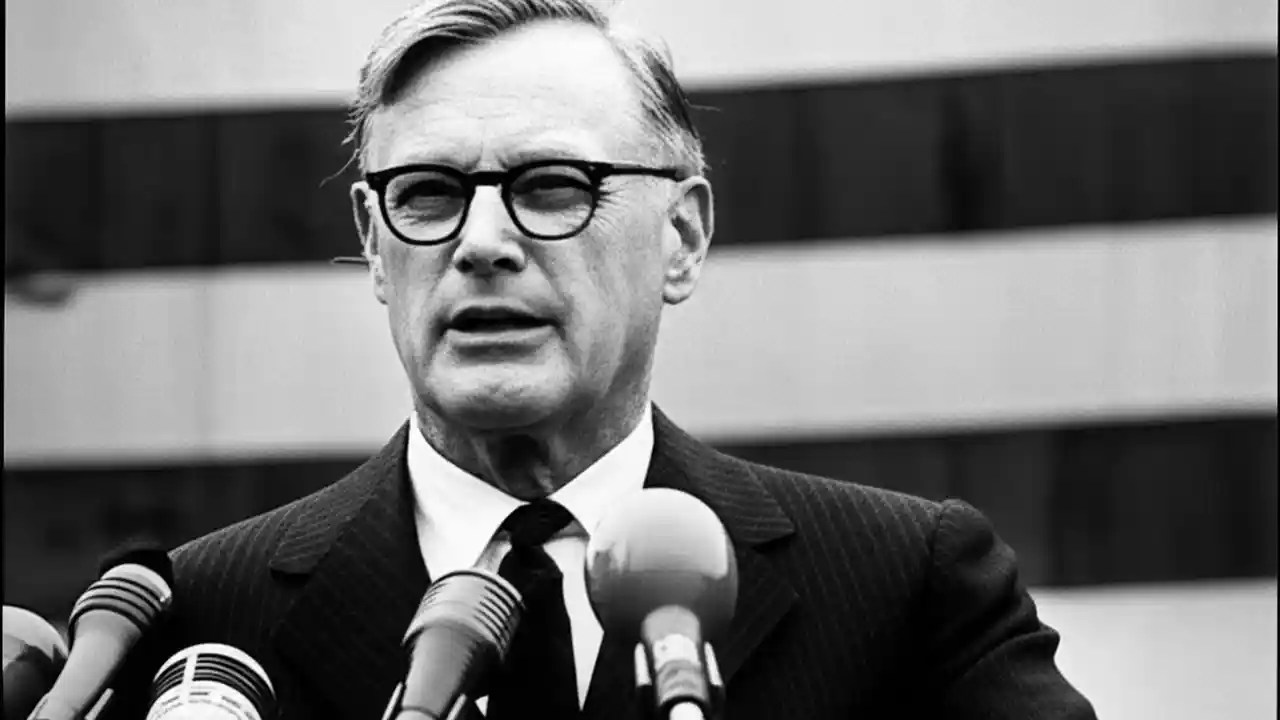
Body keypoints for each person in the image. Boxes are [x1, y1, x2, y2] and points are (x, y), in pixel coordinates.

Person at [104, 1, 1097, 718]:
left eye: (550, 184)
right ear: (373, 241)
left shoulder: (900, 583)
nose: (479, 241)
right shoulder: (201, 615)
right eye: (426, 194)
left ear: (682, 237)